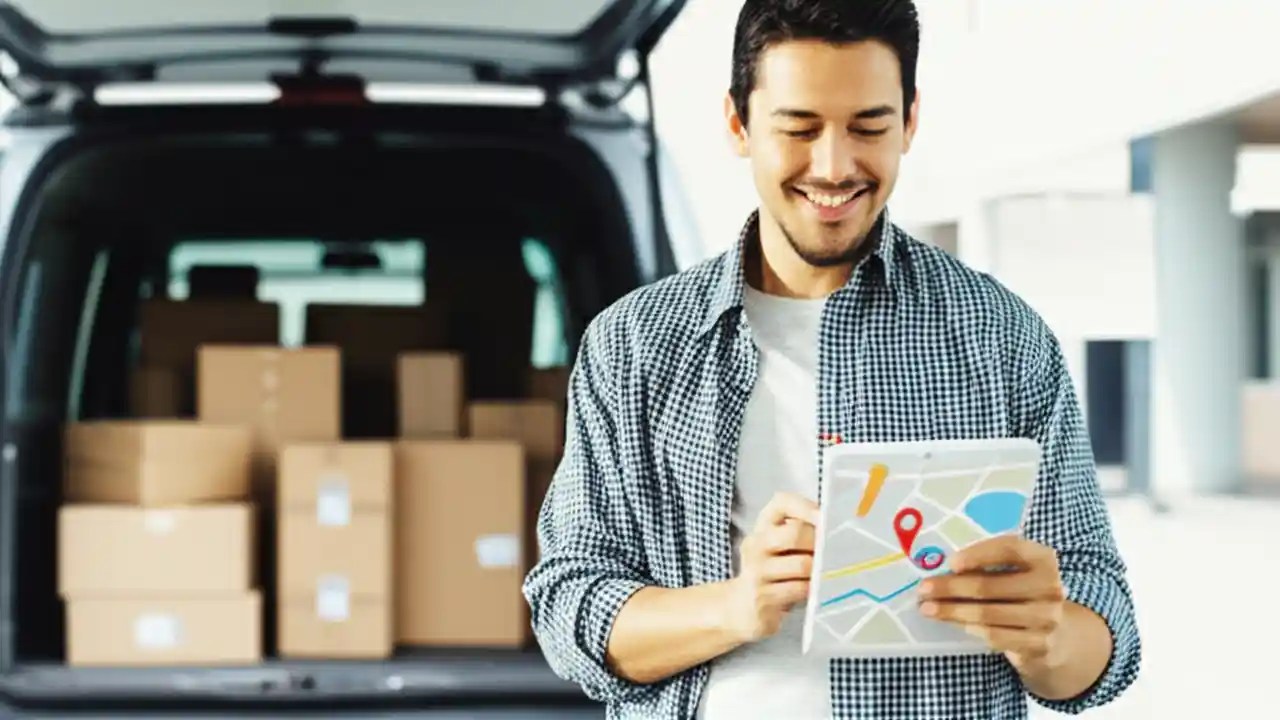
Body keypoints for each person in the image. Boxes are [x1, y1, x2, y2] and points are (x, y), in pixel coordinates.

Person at [522, 0, 1141, 717]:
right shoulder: (634, 345)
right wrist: (737, 607)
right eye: (800, 128)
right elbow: (569, 606)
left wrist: (1048, 637)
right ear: (737, 124)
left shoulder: (1000, 337)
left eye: (869, 127)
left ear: (909, 122)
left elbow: (1106, 625)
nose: (835, 166)